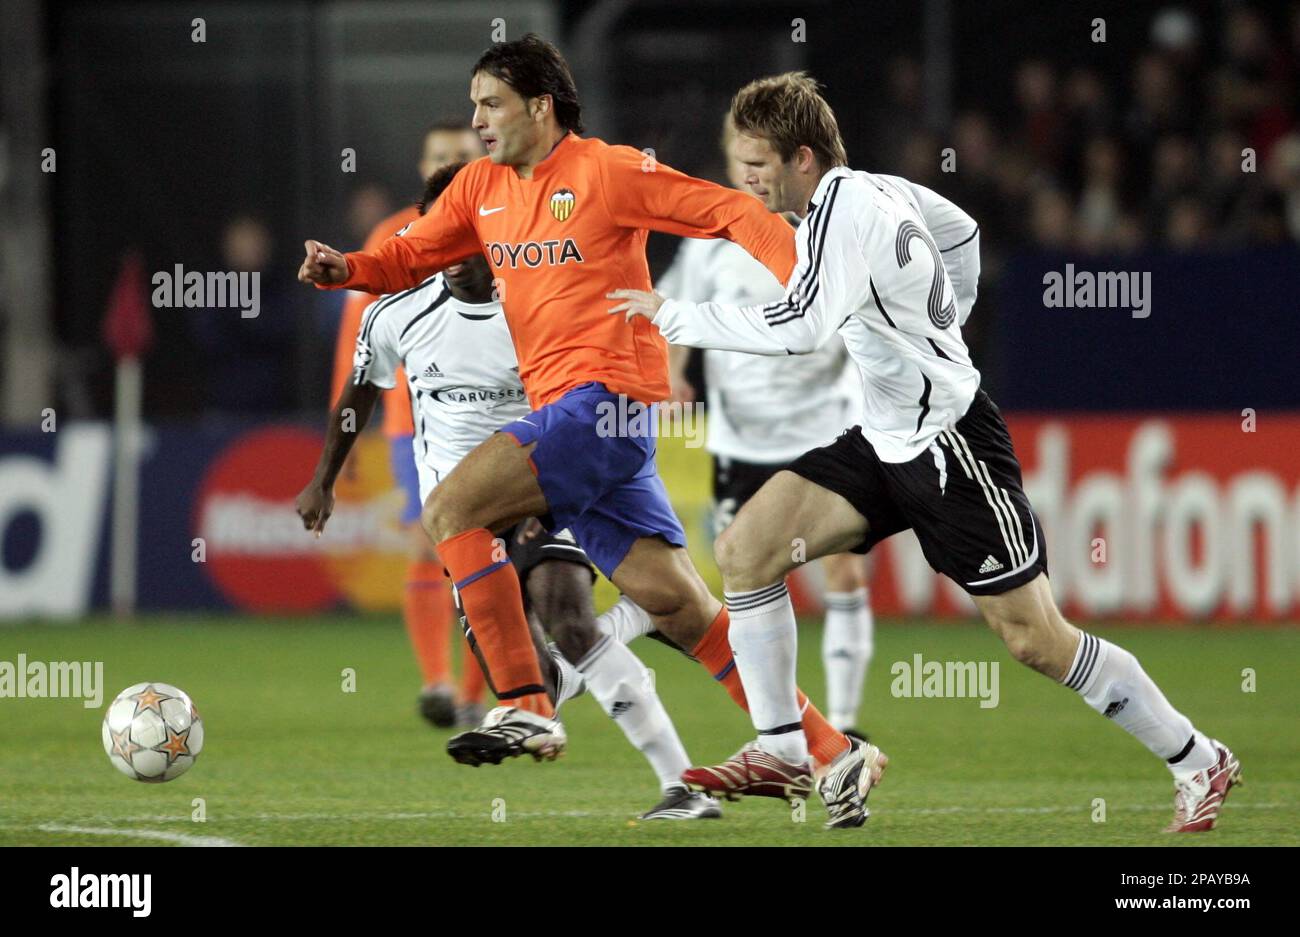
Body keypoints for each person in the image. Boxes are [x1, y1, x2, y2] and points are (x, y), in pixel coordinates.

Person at [613, 72, 1240, 834]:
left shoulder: (844, 215)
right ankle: (783, 746)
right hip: (884, 435)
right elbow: (964, 236)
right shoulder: (878, 191)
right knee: (746, 548)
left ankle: (1197, 756)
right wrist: (944, 318)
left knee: (1035, 638)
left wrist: (675, 316)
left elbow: (803, 327)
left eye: (757, 163)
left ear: (803, 157)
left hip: (948, 445)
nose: (744, 178)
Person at [299, 34, 877, 829]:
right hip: (594, 428)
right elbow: (411, 256)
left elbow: (727, 211)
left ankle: (527, 701)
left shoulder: (608, 171)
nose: (478, 120)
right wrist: (350, 269)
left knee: (449, 513)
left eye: (491, 104)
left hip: (600, 403)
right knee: (682, 609)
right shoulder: (478, 188)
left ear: (541, 106)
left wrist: (809, 278)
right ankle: (834, 751)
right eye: (474, 106)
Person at [299, 162, 720, 820]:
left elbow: (585, 405)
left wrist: (549, 499)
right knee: (536, 676)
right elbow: (359, 392)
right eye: (449, 231)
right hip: (462, 523)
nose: (464, 246)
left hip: (535, 490)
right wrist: (323, 480)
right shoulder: (395, 314)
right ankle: (636, 621)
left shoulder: (536, 309)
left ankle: (682, 786)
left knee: (571, 620)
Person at [658, 113, 877, 738]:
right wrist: (673, 374)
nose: (749, 177)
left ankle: (846, 722)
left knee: (843, 569)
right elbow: (674, 312)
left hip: (825, 429)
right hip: (740, 437)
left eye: (759, 164)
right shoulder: (708, 244)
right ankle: (778, 727)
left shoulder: (824, 234)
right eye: (739, 164)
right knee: (745, 576)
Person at [329, 120, 487, 728]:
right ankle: (439, 684)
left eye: (462, 155)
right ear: (423, 165)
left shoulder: (505, 223)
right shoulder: (391, 234)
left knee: (484, 552)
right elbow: (356, 345)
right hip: (410, 424)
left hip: (493, 416)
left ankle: (477, 692)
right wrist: (339, 436)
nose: (449, 163)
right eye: (439, 155)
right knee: (432, 546)